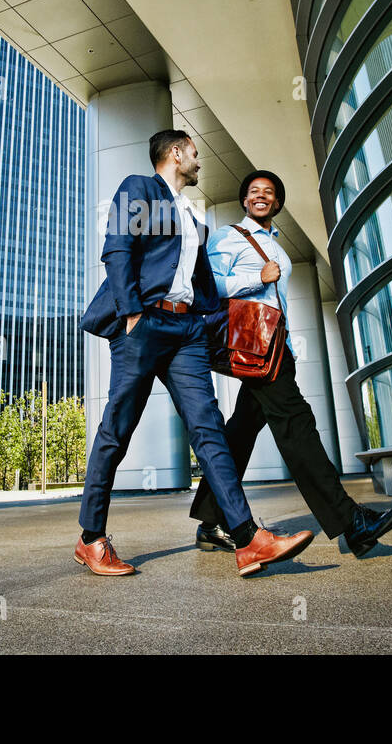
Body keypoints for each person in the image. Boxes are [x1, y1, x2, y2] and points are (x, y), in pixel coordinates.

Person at [77, 132, 314, 577]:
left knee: (209, 428)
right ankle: (91, 537)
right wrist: (131, 314)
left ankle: (248, 540)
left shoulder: (192, 214)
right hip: (144, 323)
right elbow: (118, 248)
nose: (199, 161)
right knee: (117, 430)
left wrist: (212, 322)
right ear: (175, 153)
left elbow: (203, 284)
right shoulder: (140, 188)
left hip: (187, 330)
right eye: (195, 153)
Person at [189, 170, 392, 558]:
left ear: (277, 203)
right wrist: (255, 277)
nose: (261, 197)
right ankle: (351, 523)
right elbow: (206, 286)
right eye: (254, 191)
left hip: (276, 347)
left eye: (269, 193)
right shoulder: (228, 237)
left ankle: (211, 520)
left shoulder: (279, 246)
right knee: (297, 425)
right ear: (244, 201)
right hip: (253, 344)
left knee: (240, 432)